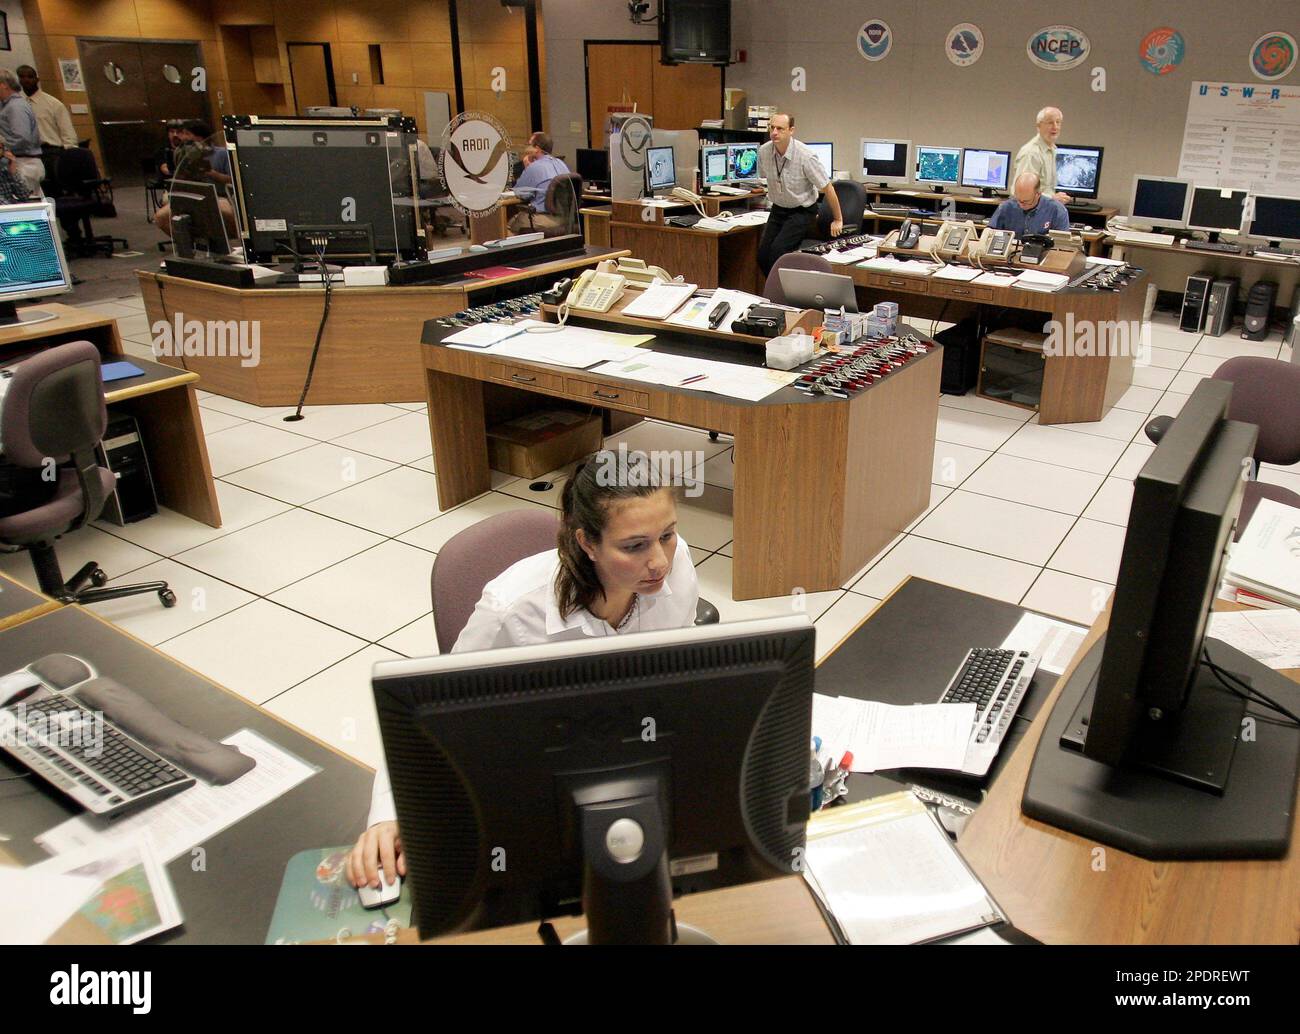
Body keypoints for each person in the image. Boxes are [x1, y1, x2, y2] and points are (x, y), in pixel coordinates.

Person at [346, 450, 701, 890]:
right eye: (634, 546)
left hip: (633, 758)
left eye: (667, 535)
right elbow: (430, 709)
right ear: (586, 542)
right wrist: (389, 815)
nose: (661, 562)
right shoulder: (513, 608)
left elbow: (680, 668)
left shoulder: (676, 563)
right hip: (542, 777)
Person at [756, 112, 843, 276]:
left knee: (777, 253)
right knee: (762, 256)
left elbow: (828, 188)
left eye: (780, 128)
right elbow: (764, 177)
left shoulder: (805, 156)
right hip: (778, 208)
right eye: (772, 127)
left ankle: (782, 296)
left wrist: (838, 219)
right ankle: (777, 289)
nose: (774, 132)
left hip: (801, 210)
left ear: (791, 130)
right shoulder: (764, 152)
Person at [152, 120, 237, 239]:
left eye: (187, 134)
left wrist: (211, 173)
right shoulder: (185, 154)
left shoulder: (222, 154)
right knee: (160, 217)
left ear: (199, 136)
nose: (183, 137)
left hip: (220, 195)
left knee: (225, 213)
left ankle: (234, 244)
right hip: (193, 195)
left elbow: (233, 180)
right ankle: (191, 244)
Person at [508, 130, 572, 233]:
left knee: (509, 226)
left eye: (529, 145)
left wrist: (527, 168)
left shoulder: (534, 167)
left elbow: (520, 193)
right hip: (565, 218)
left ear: (536, 149)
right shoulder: (561, 163)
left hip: (543, 220)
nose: (526, 148)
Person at [0, 69, 45, 197]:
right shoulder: (7, 106)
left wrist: (2, 149)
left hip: (24, 163)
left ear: (3, 85)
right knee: (33, 209)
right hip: (21, 162)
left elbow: (22, 138)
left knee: (27, 210)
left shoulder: (16, 107)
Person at [1013, 106, 1071, 204]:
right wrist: (1052, 198)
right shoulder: (1031, 153)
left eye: (1058, 122)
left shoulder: (1052, 150)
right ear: (1039, 126)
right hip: (1028, 212)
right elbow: (1022, 191)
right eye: (1050, 122)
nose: (1055, 127)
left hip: (1043, 208)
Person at [989, 172, 1070, 237]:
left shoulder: (1057, 210)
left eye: (1026, 201)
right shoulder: (1006, 207)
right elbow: (989, 234)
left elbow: (1062, 246)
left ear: (1038, 194)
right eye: (1018, 200)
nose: (1021, 205)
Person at [16, 66, 77, 151]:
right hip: (25, 153)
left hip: (51, 152)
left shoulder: (54, 104)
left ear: (37, 79)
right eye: (22, 77)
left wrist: (68, 154)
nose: (26, 80)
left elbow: (69, 135)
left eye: (30, 77)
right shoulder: (15, 103)